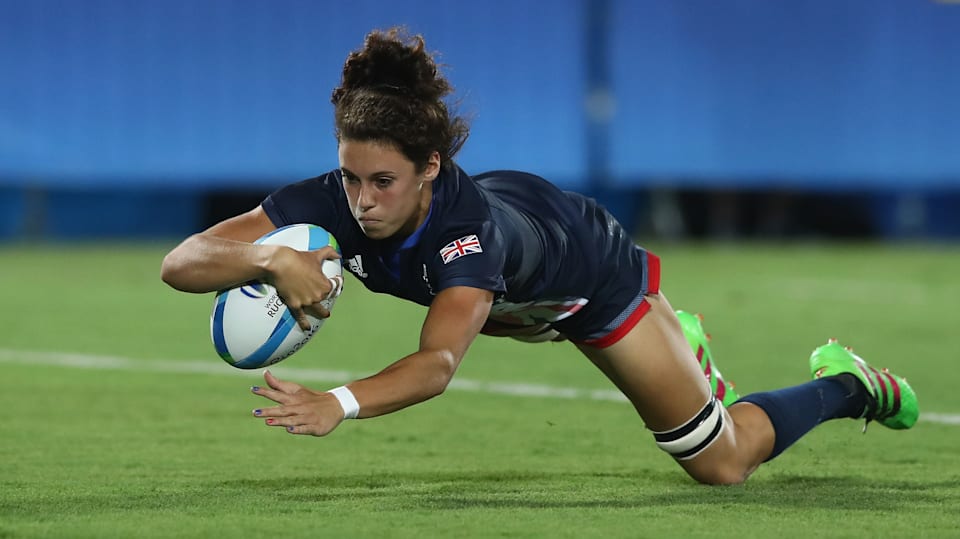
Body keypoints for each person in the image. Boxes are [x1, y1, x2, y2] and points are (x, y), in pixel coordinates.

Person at [160, 28, 918, 485]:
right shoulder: (334, 196)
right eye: (352, 178)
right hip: (509, 300)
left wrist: (339, 402)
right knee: (498, 309)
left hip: (587, 276)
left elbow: (437, 365)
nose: (362, 201)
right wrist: (266, 261)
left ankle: (849, 384)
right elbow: (183, 260)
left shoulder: (466, 233)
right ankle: (681, 347)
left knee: (722, 461)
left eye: (383, 181)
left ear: (428, 167)